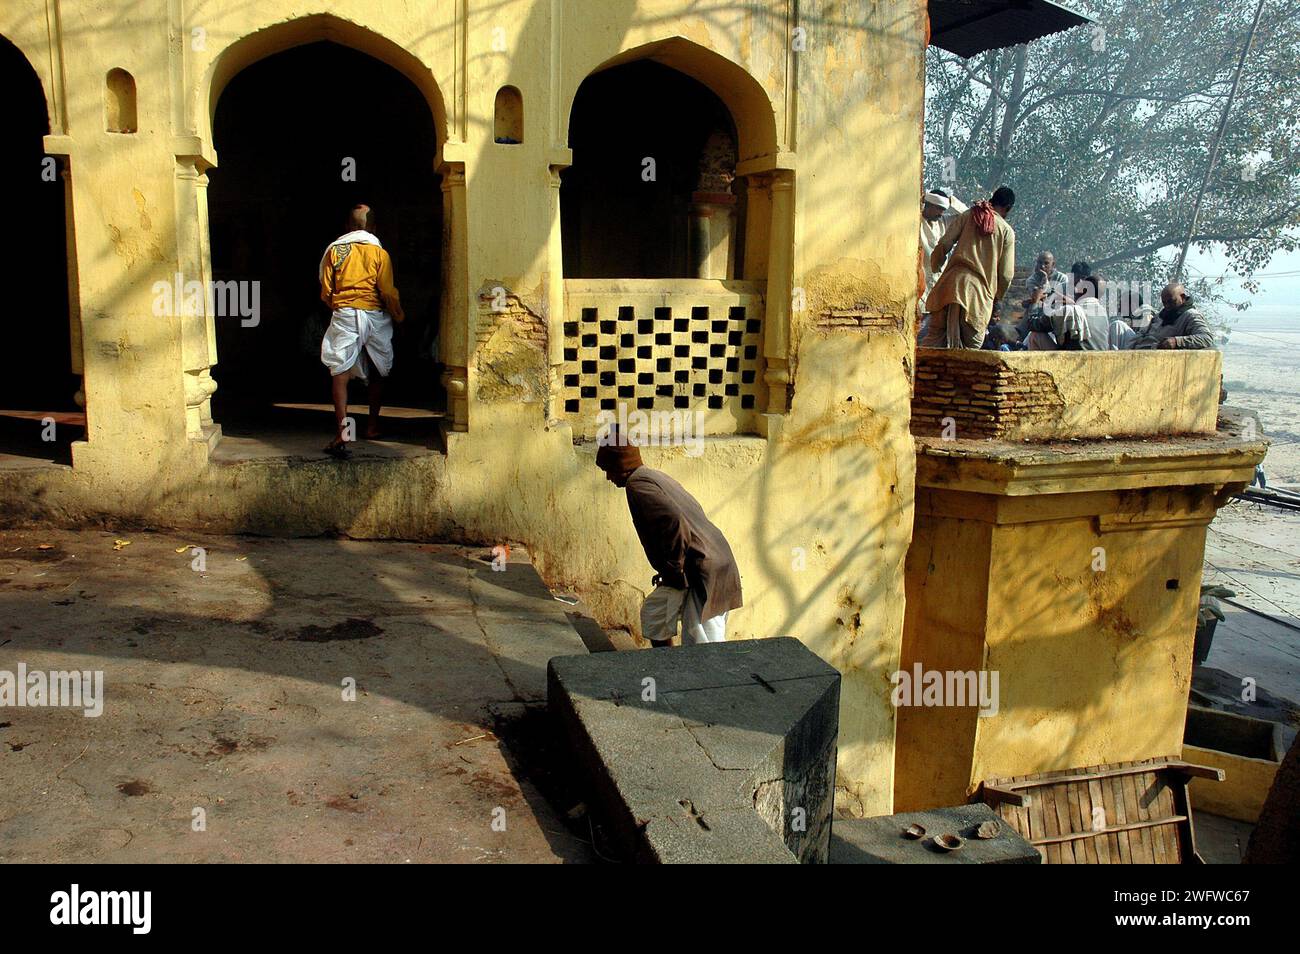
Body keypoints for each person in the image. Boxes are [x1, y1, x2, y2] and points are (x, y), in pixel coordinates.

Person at [595, 435, 742, 647]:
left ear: (621, 465)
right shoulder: (651, 476)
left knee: (703, 645)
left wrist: (674, 569)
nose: (608, 477)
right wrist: (669, 570)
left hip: (705, 568)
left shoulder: (638, 485)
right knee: (655, 614)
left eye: (609, 470)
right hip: (704, 560)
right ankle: (667, 664)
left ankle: (699, 670)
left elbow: (675, 522)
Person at [319, 204, 405, 458]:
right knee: (378, 369)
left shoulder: (335, 250)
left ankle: (343, 431)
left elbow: (326, 290)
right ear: (373, 228)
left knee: (340, 371)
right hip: (374, 316)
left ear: (347, 227)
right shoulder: (380, 254)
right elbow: (387, 292)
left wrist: (341, 305)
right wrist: (398, 315)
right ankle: (371, 426)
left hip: (345, 314)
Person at [922, 186, 1017, 349]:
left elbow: (944, 244)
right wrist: (997, 297)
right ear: (1008, 209)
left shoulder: (969, 215)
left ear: (992, 199)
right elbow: (1006, 275)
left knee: (933, 343)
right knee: (971, 351)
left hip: (948, 288)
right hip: (977, 298)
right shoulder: (1006, 231)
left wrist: (936, 266)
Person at [919, 189, 967, 340]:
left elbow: (966, 216)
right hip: (919, 289)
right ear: (928, 204)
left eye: (943, 209)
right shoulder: (916, 221)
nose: (941, 212)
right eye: (938, 208)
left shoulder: (944, 222)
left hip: (939, 289)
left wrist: (952, 200)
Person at [1133, 282, 1216, 350]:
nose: (1167, 306)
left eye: (1171, 301)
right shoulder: (1162, 315)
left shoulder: (1190, 315)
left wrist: (1177, 341)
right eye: (1164, 303)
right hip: (1139, 349)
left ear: (1182, 297)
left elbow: (1207, 338)